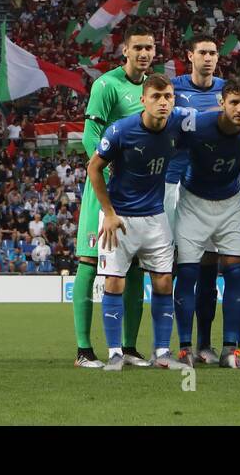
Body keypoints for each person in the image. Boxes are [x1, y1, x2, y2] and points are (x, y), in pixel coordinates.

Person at [89, 74, 192, 371]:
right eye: (157, 96)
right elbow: (93, 168)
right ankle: (115, 354)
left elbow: (212, 117)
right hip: (118, 218)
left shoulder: (179, 123)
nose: (163, 102)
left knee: (163, 282)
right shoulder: (121, 130)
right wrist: (108, 213)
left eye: (168, 96)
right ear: (143, 100)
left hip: (156, 217)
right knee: (114, 282)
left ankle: (161, 352)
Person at [69, 22, 153, 370]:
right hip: (104, 188)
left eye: (149, 48)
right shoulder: (106, 85)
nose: (145, 54)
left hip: (138, 191)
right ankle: (83, 350)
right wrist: (105, 171)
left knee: (134, 267)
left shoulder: (153, 88)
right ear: (125, 50)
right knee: (89, 262)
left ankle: (130, 348)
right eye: (138, 48)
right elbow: (91, 135)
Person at [170, 76, 240, 369]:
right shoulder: (197, 124)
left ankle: (229, 350)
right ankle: (186, 347)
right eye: (234, 102)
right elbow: (165, 124)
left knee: (236, 274)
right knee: (188, 274)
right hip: (192, 203)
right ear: (221, 103)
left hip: (230, 205)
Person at [164, 31, 225, 363]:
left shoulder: (226, 91)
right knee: (174, 266)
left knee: (207, 269)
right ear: (189, 56)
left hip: (211, 188)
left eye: (213, 52)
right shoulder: (175, 89)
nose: (209, 58)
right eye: (202, 52)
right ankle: (174, 344)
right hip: (172, 185)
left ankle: (204, 344)